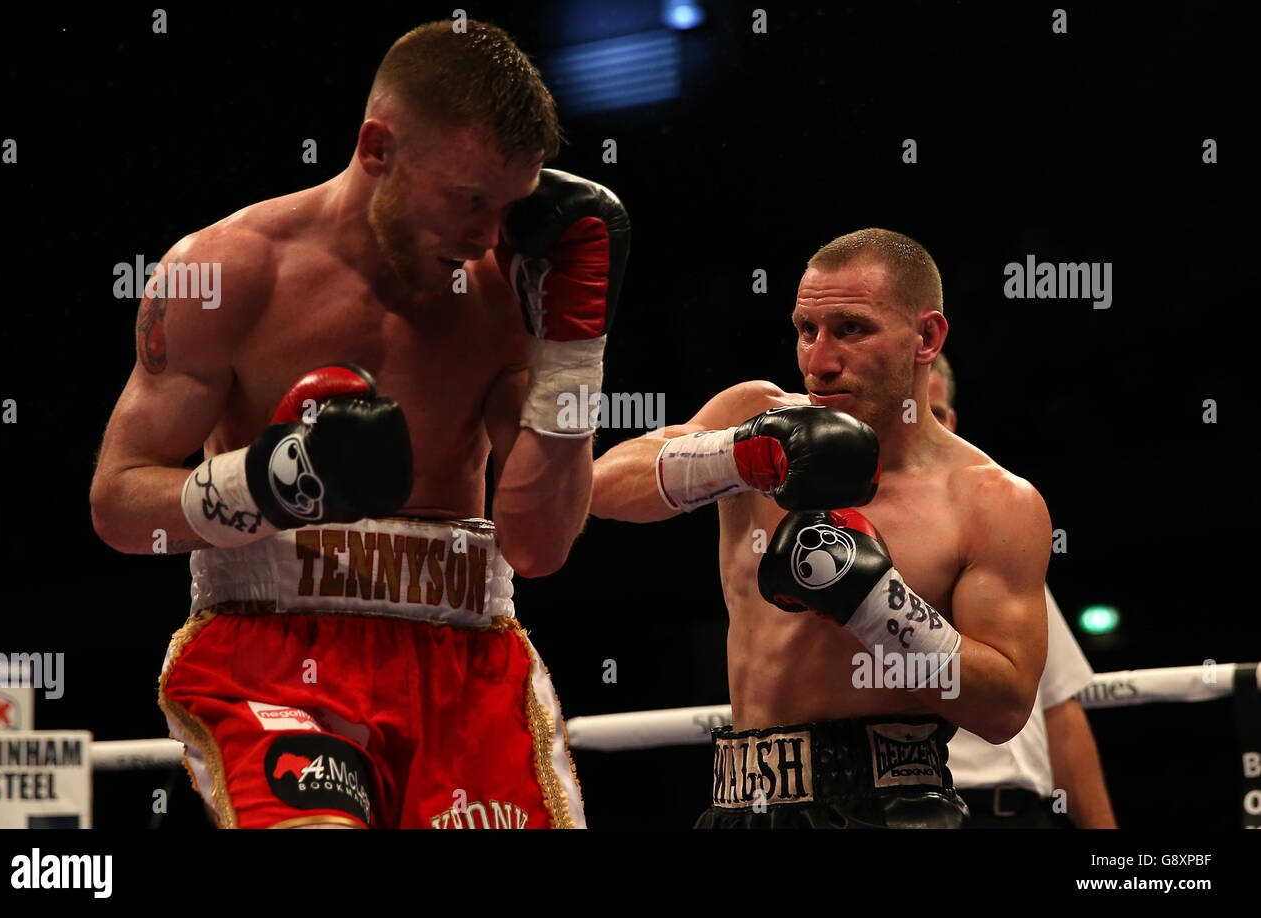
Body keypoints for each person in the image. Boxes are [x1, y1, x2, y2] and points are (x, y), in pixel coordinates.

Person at [89, 19, 629, 829]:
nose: (487, 232)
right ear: (377, 149)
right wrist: (271, 483)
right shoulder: (232, 272)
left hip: (466, 659)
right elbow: (120, 504)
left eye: (510, 204)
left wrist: (574, 355)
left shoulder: (505, 293)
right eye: (468, 198)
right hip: (272, 654)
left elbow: (542, 547)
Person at [591, 228, 1050, 828]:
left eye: (851, 330)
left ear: (927, 337)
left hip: (894, 806)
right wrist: (741, 456)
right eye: (807, 330)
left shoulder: (993, 501)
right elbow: (600, 488)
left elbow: (1005, 708)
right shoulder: (756, 419)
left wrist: (874, 604)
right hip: (740, 802)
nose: (820, 360)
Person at [930, 355, 1117, 828]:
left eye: (931, 417)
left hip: (1024, 815)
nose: (916, 431)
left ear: (952, 424)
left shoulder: (1001, 540)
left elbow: (1058, 711)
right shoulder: (839, 547)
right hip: (915, 811)